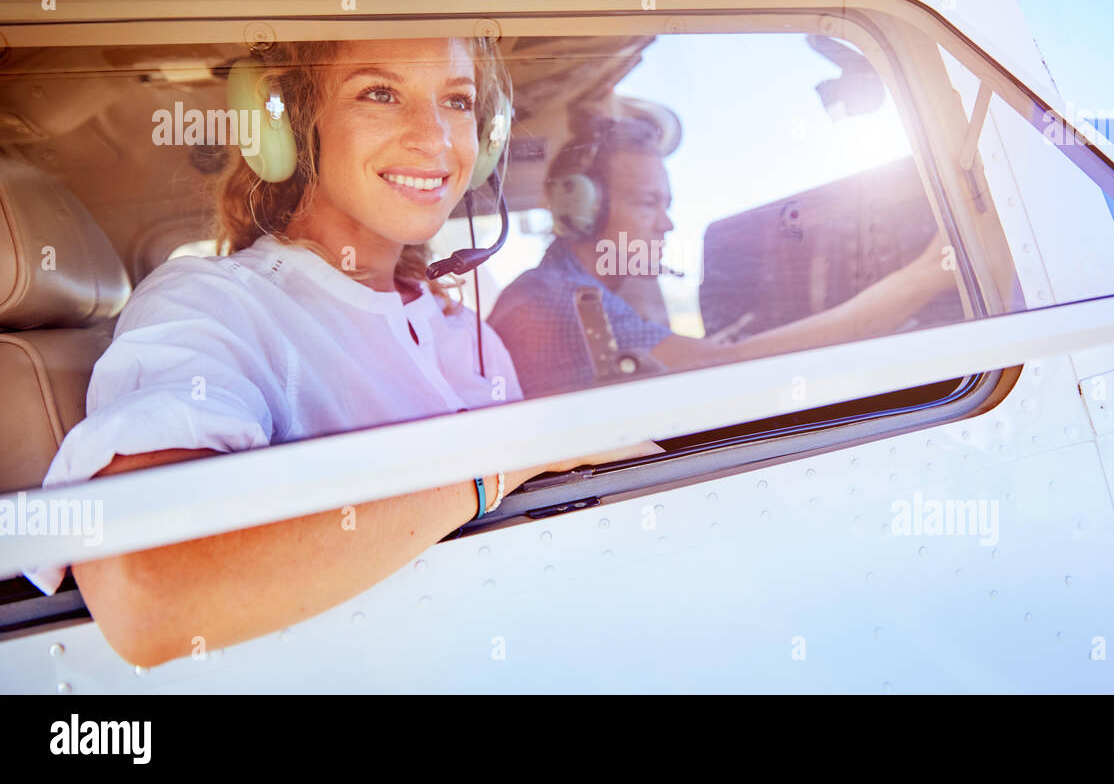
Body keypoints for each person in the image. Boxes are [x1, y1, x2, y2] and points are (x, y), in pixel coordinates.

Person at [23, 36, 652, 667]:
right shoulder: (213, 304)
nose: (433, 138)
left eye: (458, 101)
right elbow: (149, 589)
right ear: (291, 131)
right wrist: (502, 460)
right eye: (379, 94)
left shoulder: (468, 333)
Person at [489, 115, 952, 397]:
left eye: (667, 206)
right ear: (583, 208)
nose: (666, 225)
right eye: (649, 203)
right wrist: (928, 274)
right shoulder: (560, 302)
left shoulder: (556, 289)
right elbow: (722, 372)